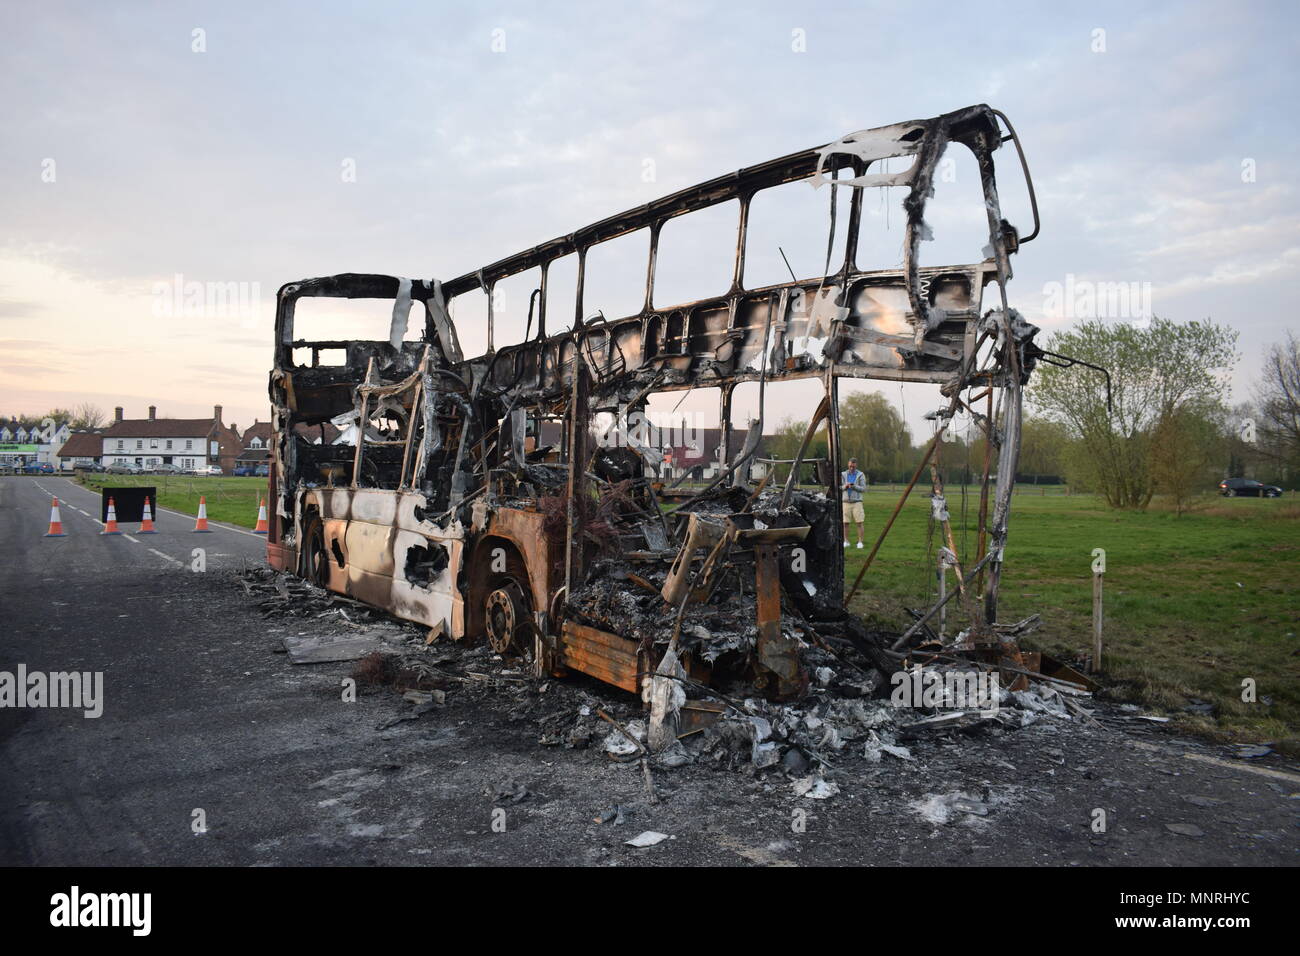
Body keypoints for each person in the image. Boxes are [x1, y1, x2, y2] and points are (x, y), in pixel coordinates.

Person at [841, 458, 867, 548]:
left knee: (859, 522)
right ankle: (846, 541)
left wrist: (854, 486)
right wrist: (845, 486)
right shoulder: (843, 474)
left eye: (853, 466)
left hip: (857, 502)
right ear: (848, 465)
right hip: (845, 502)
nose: (851, 468)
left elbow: (863, 488)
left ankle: (860, 542)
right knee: (845, 523)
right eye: (850, 466)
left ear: (856, 465)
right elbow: (839, 487)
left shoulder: (861, 475)